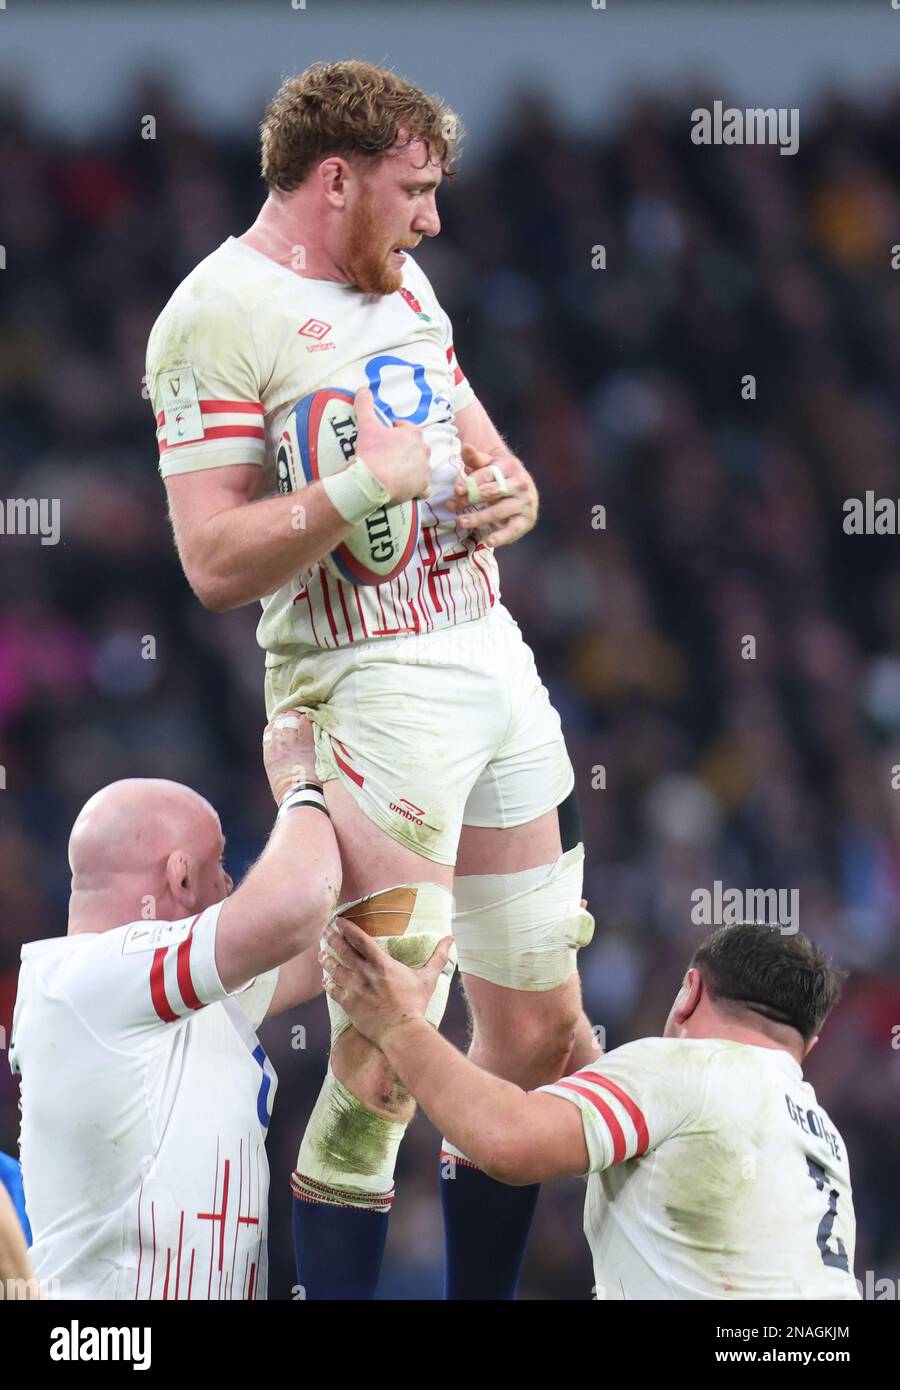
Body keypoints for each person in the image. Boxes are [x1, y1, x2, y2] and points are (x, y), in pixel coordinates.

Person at [146, 58, 598, 1300]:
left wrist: (516, 490)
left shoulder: (404, 279)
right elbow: (211, 560)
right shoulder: (212, 316)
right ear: (334, 179)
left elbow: (475, 447)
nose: (432, 218)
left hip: (488, 652)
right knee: (385, 1051)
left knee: (541, 1040)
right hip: (368, 679)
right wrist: (360, 487)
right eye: (415, 190)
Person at [320, 921, 861, 1300]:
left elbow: (508, 1139)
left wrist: (396, 1023)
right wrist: (551, 971)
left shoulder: (686, 1068)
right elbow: (616, 1102)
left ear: (689, 993)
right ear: (806, 1047)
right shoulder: (820, 1134)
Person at [9, 711, 337, 1299]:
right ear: (181, 879)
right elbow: (297, 904)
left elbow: (322, 942)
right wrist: (299, 786)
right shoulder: (92, 974)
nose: (231, 887)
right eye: (220, 866)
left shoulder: (160, 996)